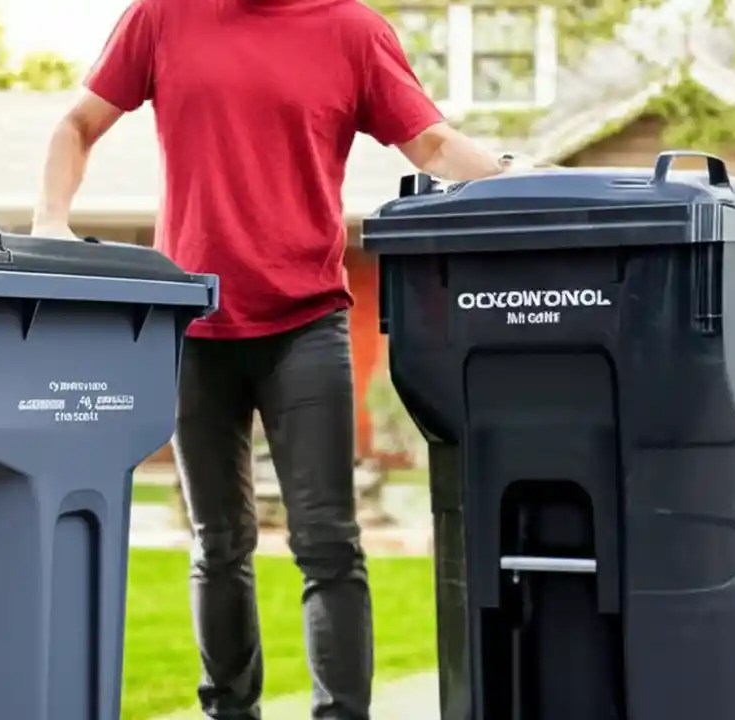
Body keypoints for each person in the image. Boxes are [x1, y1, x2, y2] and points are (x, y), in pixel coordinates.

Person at [31, 0, 506, 716]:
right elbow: (78, 123)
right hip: (194, 328)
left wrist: (514, 174)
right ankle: (229, 709)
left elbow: (433, 146)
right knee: (218, 544)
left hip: (305, 322)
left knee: (328, 546)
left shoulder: (352, 30)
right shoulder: (162, 17)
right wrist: (49, 220)